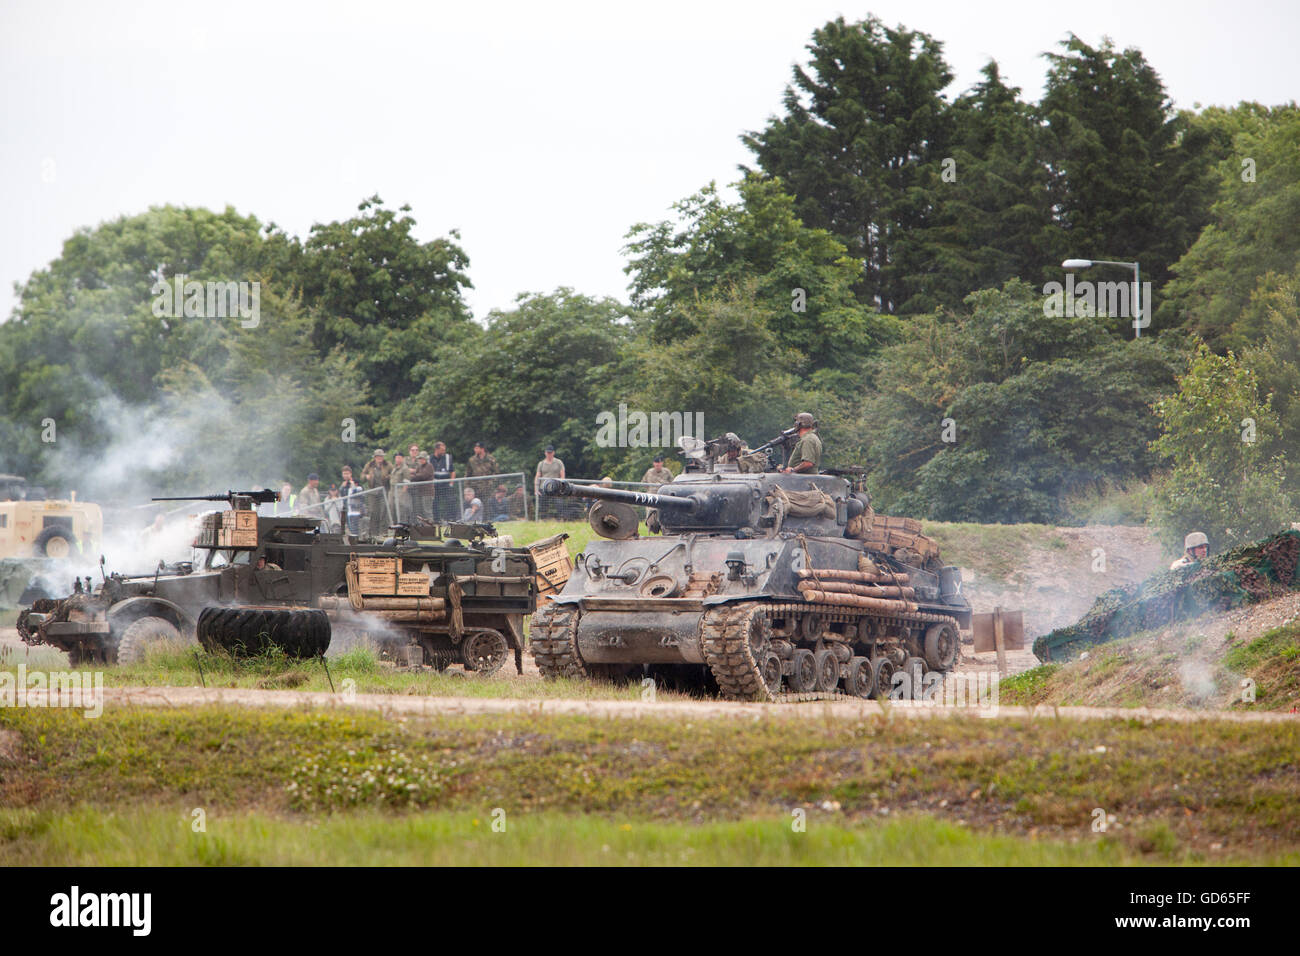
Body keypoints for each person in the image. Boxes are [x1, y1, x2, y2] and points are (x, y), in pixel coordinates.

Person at [360, 449, 393, 536]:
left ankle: (383, 532)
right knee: (373, 512)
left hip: (384, 491)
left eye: (381, 456)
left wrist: (388, 477)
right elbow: (362, 476)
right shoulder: (369, 465)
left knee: (384, 512)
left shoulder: (388, 465)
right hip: (373, 492)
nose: (380, 458)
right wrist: (366, 476)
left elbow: (394, 474)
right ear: (374, 457)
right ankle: (373, 533)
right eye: (378, 456)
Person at [535, 445, 565, 519]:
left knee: (559, 505)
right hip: (544, 488)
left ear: (553, 453)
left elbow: (562, 475)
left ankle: (560, 520)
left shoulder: (558, 462)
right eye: (548, 452)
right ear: (545, 453)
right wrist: (536, 489)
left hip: (556, 487)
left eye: (550, 453)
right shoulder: (541, 464)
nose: (549, 454)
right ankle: (544, 520)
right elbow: (537, 476)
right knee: (543, 506)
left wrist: (561, 486)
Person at [429, 441, 455, 521]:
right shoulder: (429, 458)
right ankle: (437, 520)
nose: (444, 451)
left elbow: (452, 471)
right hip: (434, 486)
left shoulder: (447, 457)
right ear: (436, 449)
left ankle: (450, 519)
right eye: (442, 450)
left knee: (450, 500)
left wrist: (451, 483)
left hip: (445, 484)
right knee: (435, 503)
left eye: (444, 450)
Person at [339, 466, 365, 536]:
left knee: (355, 530)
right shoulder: (344, 485)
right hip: (347, 511)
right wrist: (342, 487)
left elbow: (358, 494)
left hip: (355, 511)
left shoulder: (356, 483)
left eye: (347, 474)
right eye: (344, 474)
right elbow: (342, 496)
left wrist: (353, 485)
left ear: (350, 474)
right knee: (349, 529)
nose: (345, 475)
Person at [410, 451, 435, 522]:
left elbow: (422, 476)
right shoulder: (419, 466)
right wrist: (414, 476)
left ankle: (431, 527)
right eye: (420, 458)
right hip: (420, 492)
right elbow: (417, 475)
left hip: (427, 493)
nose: (421, 460)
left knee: (427, 511)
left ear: (426, 459)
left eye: (422, 458)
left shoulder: (429, 466)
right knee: (420, 511)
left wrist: (413, 477)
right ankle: (423, 528)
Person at [388, 453, 411, 522]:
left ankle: (402, 526)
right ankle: (394, 526)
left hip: (400, 491)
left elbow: (407, 482)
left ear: (403, 458)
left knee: (400, 510)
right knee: (391, 508)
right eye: (396, 458)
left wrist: (403, 493)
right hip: (392, 490)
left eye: (399, 458)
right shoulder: (394, 467)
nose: (398, 459)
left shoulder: (405, 468)